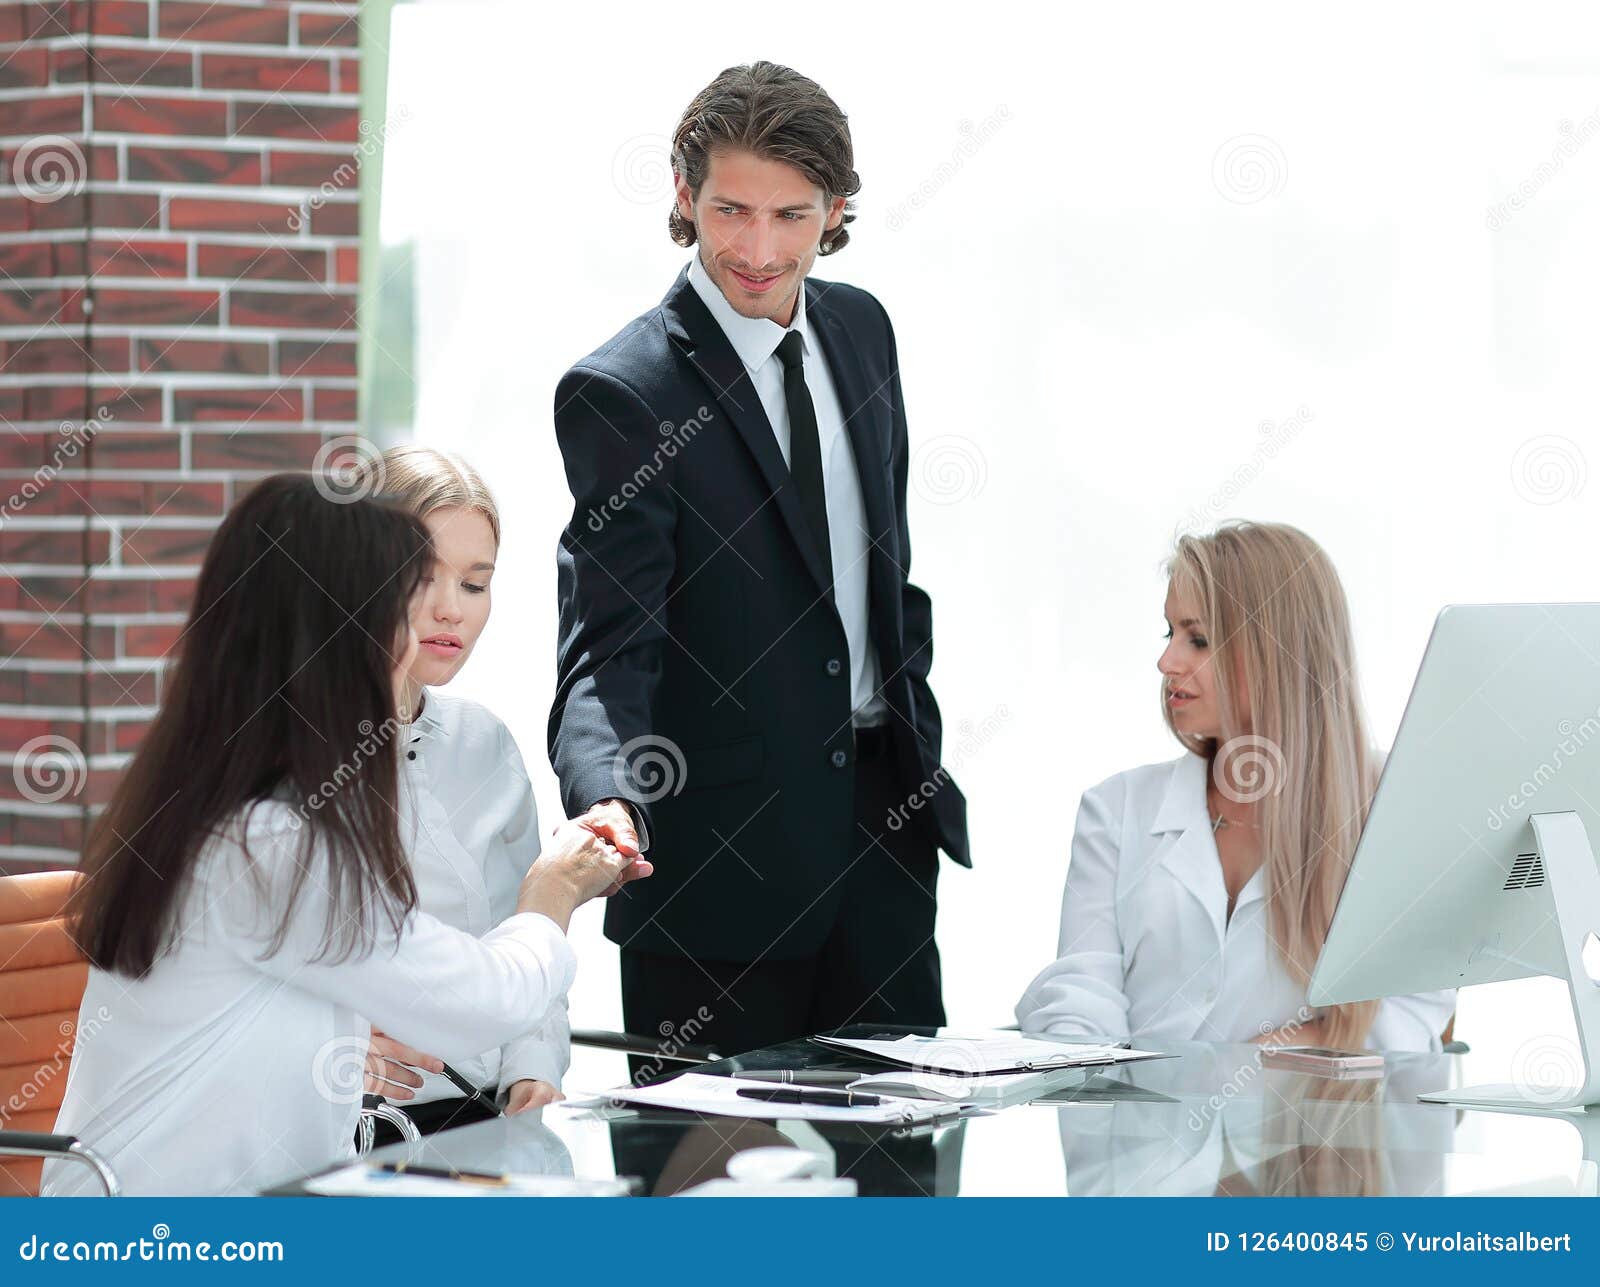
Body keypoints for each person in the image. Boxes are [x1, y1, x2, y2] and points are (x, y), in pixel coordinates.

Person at [44, 474, 648, 1196]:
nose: (420, 633)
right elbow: (484, 996)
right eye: (398, 606)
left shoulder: (211, 800)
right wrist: (551, 890)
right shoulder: (272, 845)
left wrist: (329, 1042)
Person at [549, 61, 968, 1061]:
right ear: (685, 198)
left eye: (790, 215)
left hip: (883, 848)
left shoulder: (862, 331)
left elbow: (882, 573)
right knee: (704, 1206)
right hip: (712, 879)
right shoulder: (624, 391)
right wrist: (609, 793)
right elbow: (612, 639)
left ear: (834, 211)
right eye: (731, 209)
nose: (757, 248)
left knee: (904, 1195)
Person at [1016, 521, 1454, 1051]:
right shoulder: (1117, 808)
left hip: (1308, 1130)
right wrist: (1086, 1075)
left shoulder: (1390, 804)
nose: (1166, 662)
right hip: (1140, 1127)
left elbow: (1409, 1022)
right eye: (1169, 633)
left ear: (1280, 650)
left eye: (1197, 639)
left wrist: (1272, 1059)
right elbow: (1085, 992)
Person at [350, 446, 589, 1134]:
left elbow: (527, 938)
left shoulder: (485, 743)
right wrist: (314, 1042)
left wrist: (534, 1068)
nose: (450, 609)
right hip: (339, 1132)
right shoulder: (288, 755)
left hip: (483, 1122)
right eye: (421, 576)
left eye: (474, 583)